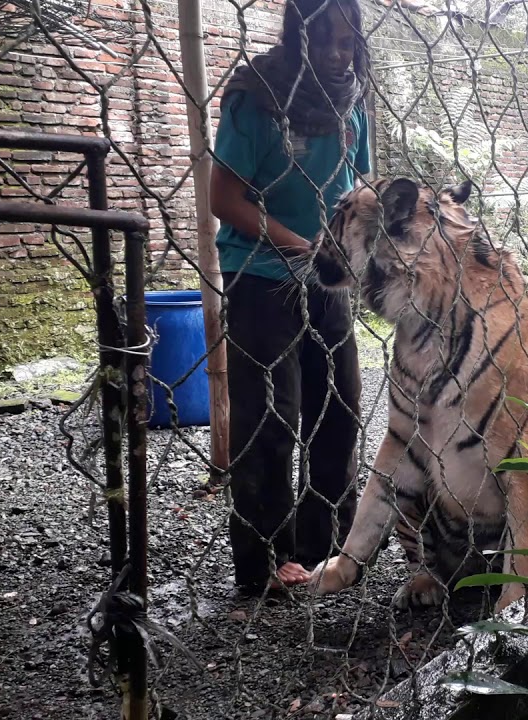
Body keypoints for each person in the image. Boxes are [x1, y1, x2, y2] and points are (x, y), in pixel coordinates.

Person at [209, 0, 370, 592]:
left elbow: (359, 184)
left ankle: (327, 546)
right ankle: (265, 563)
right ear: (296, 36)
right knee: (272, 420)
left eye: (347, 41)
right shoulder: (257, 95)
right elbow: (224, 200)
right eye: (322, 39)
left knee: (340, 410)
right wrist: (302, 244)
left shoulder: (353, 99)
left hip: (326, 275)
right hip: (261, 275)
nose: (335, 53)